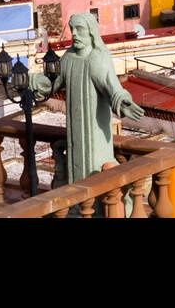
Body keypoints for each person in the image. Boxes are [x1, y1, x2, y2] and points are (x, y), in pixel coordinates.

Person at [32, 12, 144, 186]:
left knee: (93, 174)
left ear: (91, 32)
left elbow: (111, 84)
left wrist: (122, 101)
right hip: (75, 130)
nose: (74, 34)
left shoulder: (97, 57)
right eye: (72, 29)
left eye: (79, 29)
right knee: (77, 175)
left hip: (95, 134)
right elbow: (52, 83)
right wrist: (30, 80)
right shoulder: (69, 57)